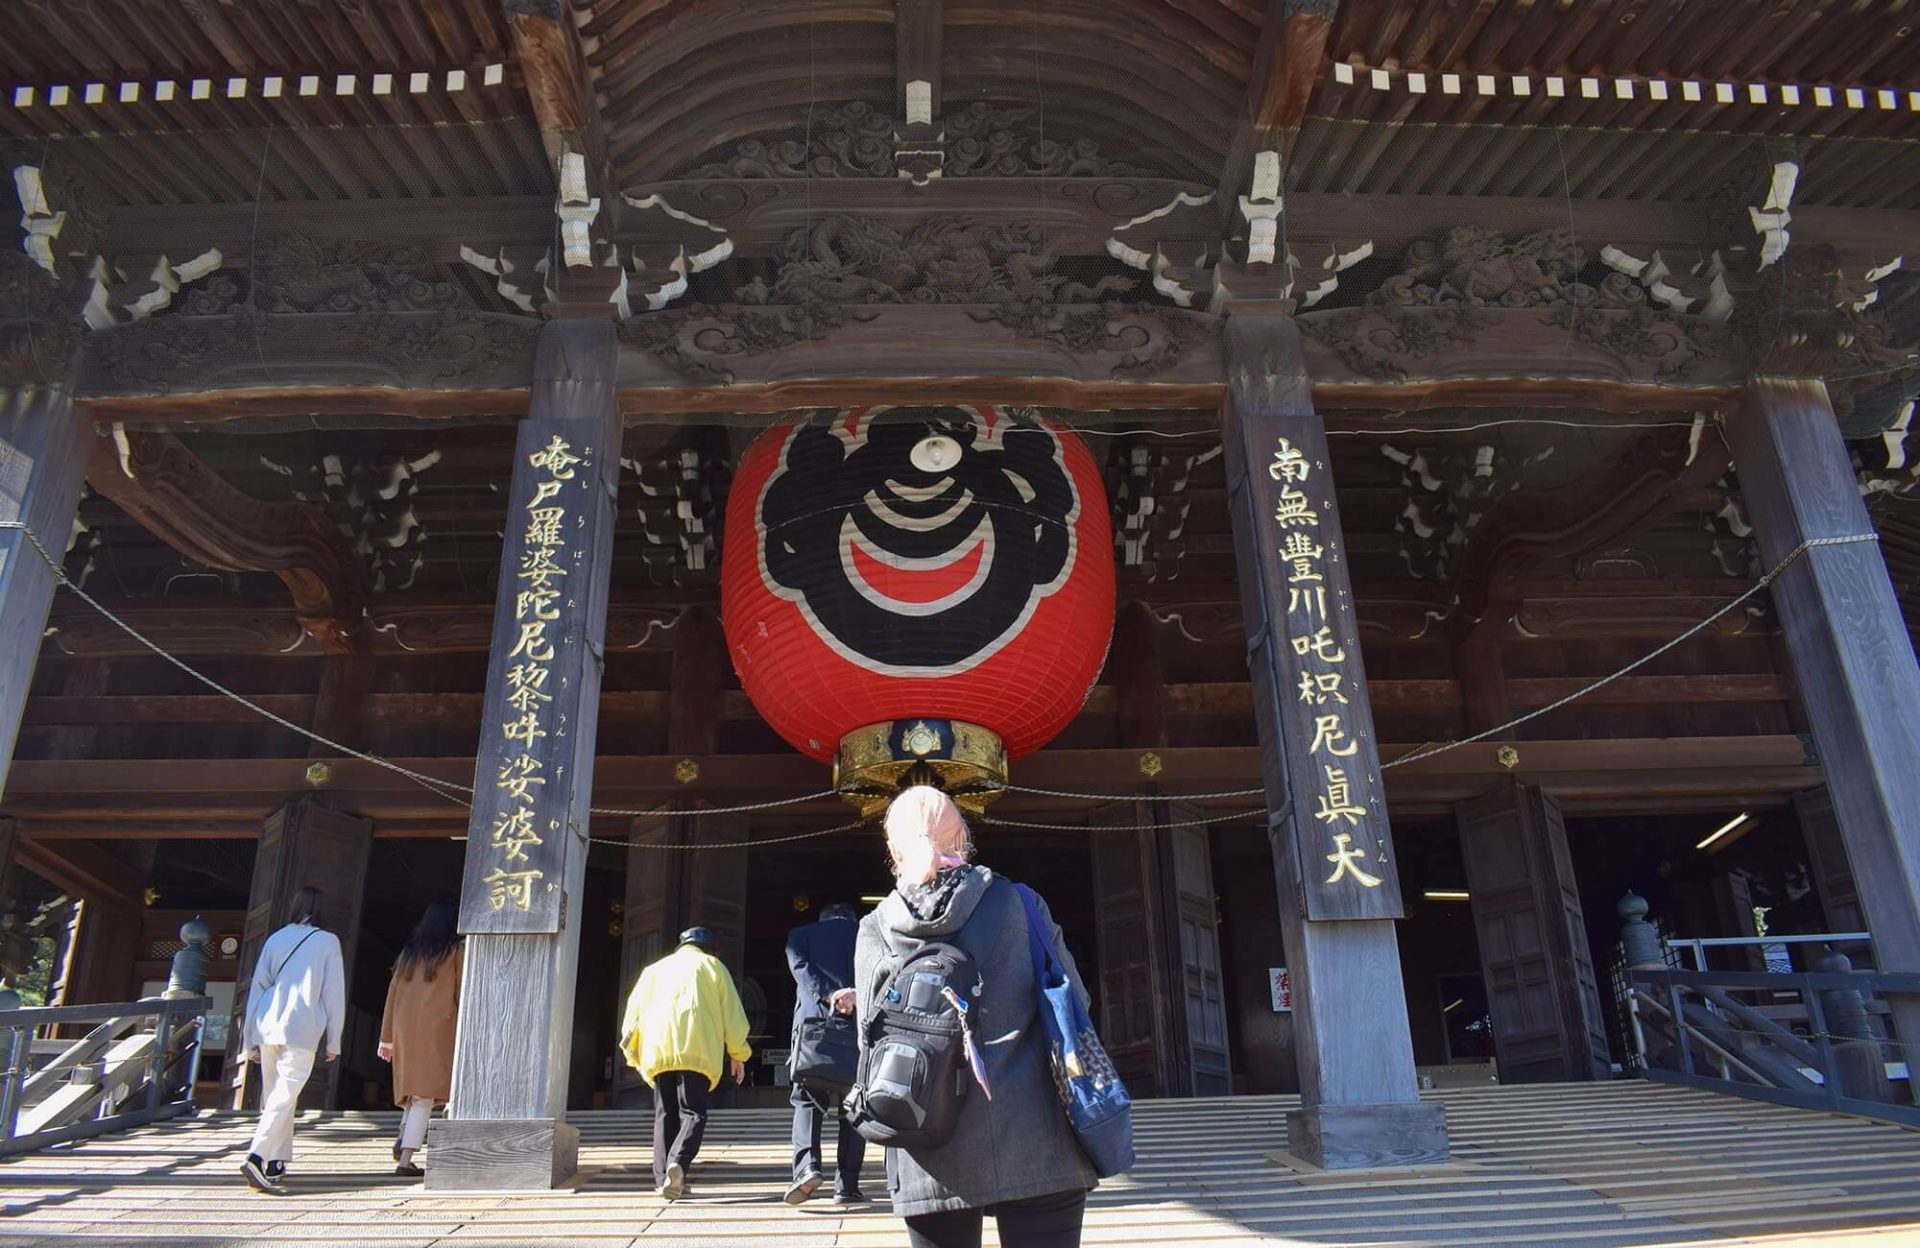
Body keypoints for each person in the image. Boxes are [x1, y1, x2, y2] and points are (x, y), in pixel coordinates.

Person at [855, 787, 1097, 1248]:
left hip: (927, 1137)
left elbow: (870, 1040)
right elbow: (1075, 1001)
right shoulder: (1023, 904)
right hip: (1038, 1134)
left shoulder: (878, 926)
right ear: (963, 838)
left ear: (893, 850)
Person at [619, 925, 752, 1201]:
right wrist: (738, 1053)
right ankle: (677, 1162)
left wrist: (634, 1055)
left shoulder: (653, 971)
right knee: (692, 1112)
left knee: (665, 1114)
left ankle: (662, 1181)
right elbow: (733, 1015)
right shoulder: (713, 967)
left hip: (659, 1052)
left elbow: (632, 1016)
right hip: (697, 1050)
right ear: (709, 948)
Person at [240, 885, 346, 1195]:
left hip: (267, 1020)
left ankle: (276, 1160)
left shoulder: (275, 939)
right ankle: (257, 1155)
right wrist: (334, 1040)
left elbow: (257, 987)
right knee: (284, 1095)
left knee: (275, 1094)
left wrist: (250, 1039)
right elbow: (333, 994)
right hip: (301, 1024)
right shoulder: (327, 941)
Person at [783, 901, 867, 1206]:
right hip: (858, 1034)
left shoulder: (801, 935)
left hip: (813, 1031)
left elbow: (800, 968)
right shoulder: (868, 934)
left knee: (807, 1100)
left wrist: (829, 994)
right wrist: (855, 993)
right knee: (854, 1109)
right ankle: (847, 1185)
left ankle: (807, 1167)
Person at [377, 898, 463, 1178]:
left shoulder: (408, 954)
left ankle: (404, 1135)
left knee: (414, 1094)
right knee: (424, 1097)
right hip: (437, 1027)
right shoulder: (454, 952)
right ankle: (406, 1158)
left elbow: (392, 995)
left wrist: (386, 1037)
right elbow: (462, 992)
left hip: (404, 1028)